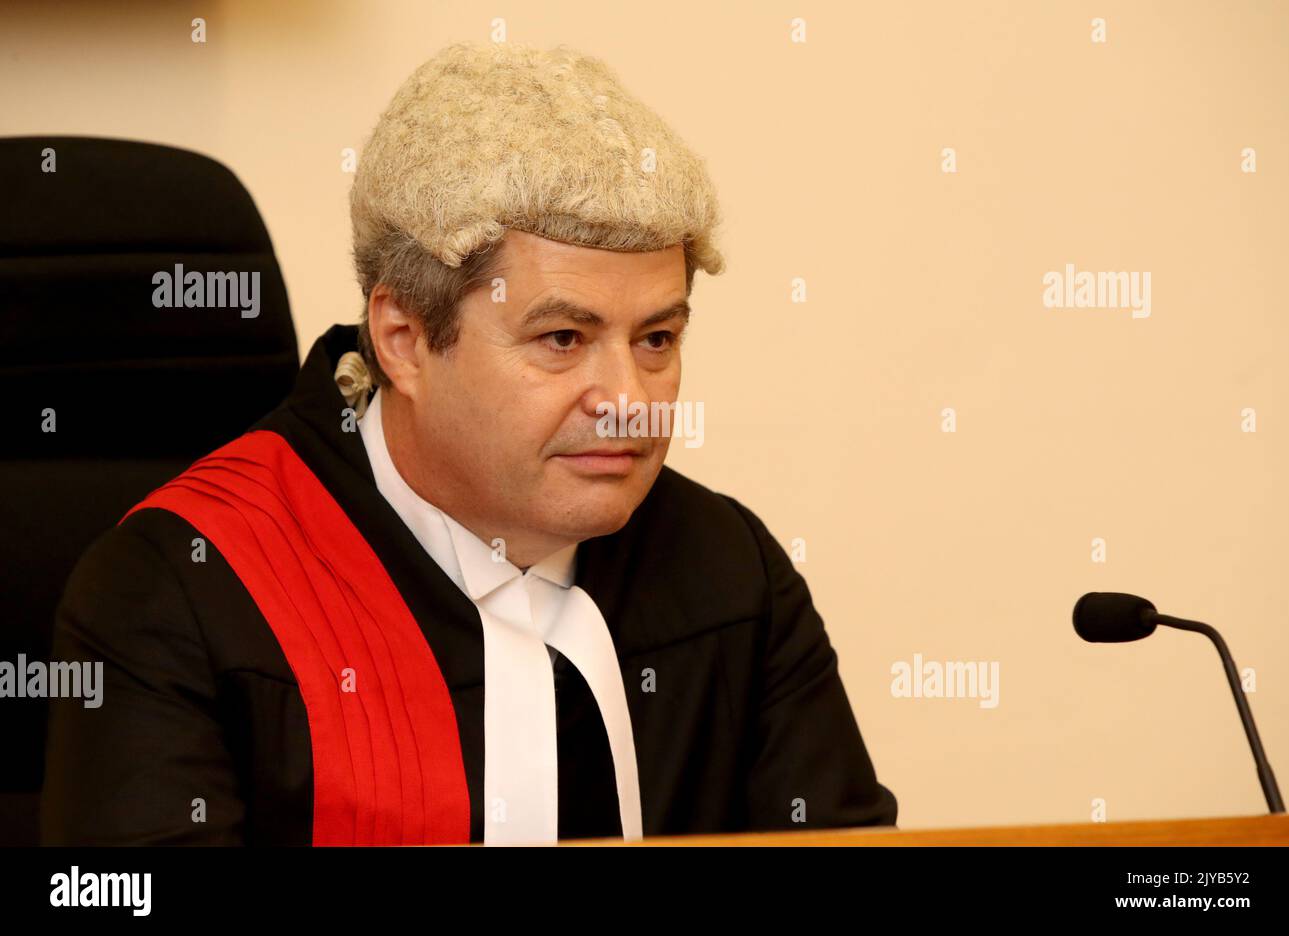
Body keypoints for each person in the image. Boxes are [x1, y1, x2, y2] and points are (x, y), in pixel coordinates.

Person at [41, 41, 896, 845]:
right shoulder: (179, 590)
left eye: (657, 340)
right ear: (405, 339)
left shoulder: (731, 571)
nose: (629, 404)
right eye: (563, 338)